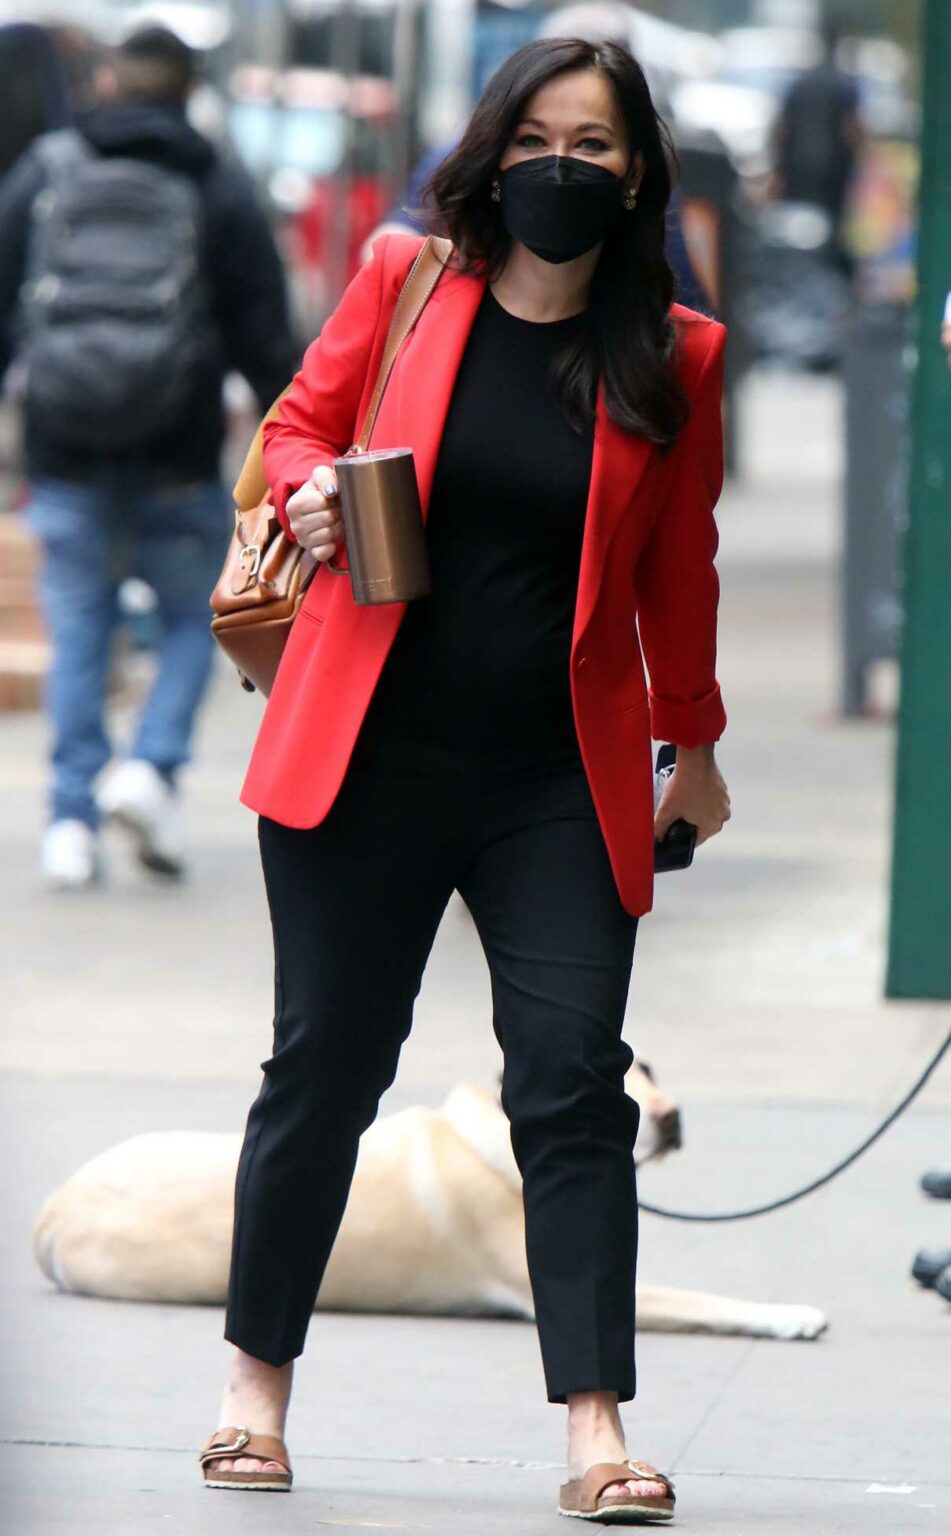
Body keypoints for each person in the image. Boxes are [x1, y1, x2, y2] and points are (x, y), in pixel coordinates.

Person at [202, 37, 731, 1522]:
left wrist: (693, 747)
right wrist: (309, 483)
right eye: (540, 135)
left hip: (556, 775)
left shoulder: (672, 354)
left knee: (569, 1087)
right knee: (326, 1069)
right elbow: (295, 425)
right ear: (495, 148)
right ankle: (254, 1388)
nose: (565, 164)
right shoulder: (406, 280)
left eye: (598, 144)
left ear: (636, 176)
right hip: (364, 751)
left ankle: (593, 1431)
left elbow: (673, 571)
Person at [0, 25, 297, 887]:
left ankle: (69, 820)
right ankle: (151, 768)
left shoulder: (47, 171)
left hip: (64, 446)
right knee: (196, 622)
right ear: (189, 88)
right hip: (177, 444)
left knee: (82, 630)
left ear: (107, 83)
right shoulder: (215, 182)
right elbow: (264, 334)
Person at [772, 20, 865, 275]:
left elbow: (782, 128)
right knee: (831, 228)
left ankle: (797, 272)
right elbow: (853, 130)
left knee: (795, 227)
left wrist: (777, 168)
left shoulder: (799, 83)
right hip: (833, 169)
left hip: (797, 166)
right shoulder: (846, 85)